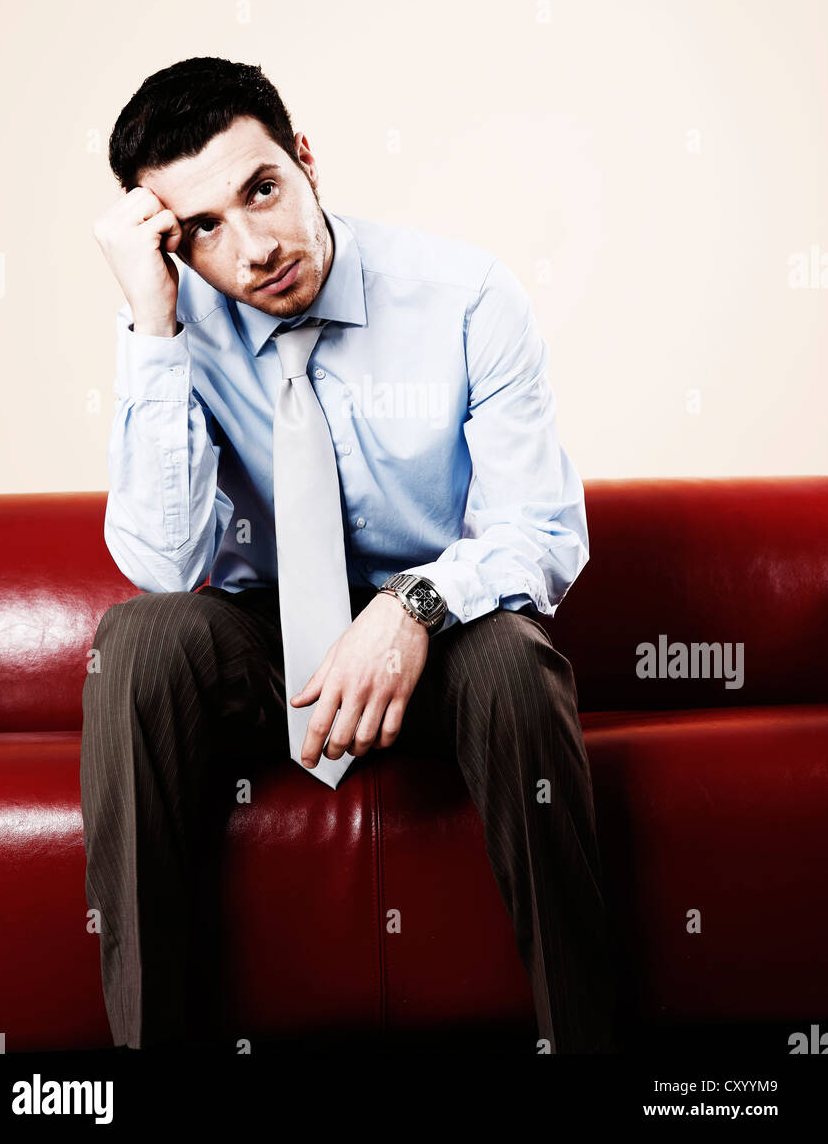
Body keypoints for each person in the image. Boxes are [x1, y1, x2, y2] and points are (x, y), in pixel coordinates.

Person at [80, 55, 615, 1054]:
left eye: (262, 189)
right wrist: (152, 325)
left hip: (446, 643)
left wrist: (413, 606)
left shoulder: (461, 296)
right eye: (201, 227)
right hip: (269, 652)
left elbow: (540, 529)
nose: (253, 248)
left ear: (306, 160)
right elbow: (160, 560)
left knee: (512, 660)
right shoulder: (176, 325)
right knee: (140, 640)